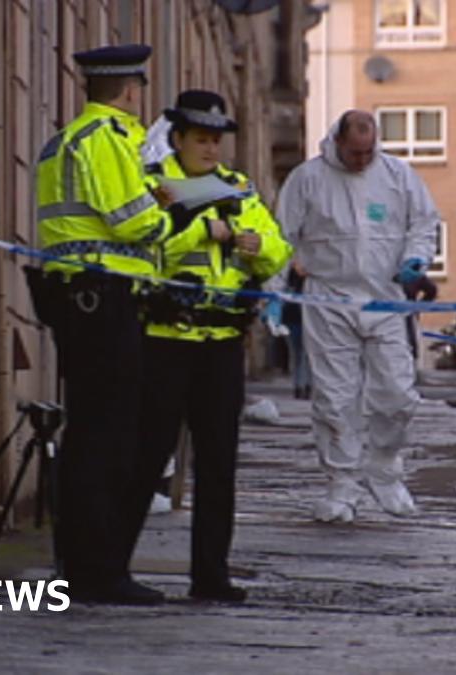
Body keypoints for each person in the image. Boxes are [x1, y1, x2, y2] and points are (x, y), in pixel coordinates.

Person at [131, 89, 292, 603]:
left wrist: (257, 245)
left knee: (219, 466)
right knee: (145, 457)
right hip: (164, 340)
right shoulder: (155, 185)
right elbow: (148, 243)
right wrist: (210, 230)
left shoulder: (238, 187)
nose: (211, 148)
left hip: (222, 343)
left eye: (216, 139)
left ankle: (210, 576)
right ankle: (112, 567)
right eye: (201, 138)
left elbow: (276, 250)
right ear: (177, 138)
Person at [33, 44, 175, 606]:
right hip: (104, 298)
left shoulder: (64, 139)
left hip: (77, 297)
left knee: (89, 433)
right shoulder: (109, 138)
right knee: (109, 438)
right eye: (139, 88)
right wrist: (166, 210)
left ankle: (79, 565)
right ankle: (97, 572)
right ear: (129, 89)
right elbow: (133, 222)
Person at [275, 110, 439, 523]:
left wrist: (416, 259)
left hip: (385, 299)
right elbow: (282, 236)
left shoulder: (398, 176)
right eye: (354, 153)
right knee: (335, 397)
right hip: (328, 300)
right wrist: (273, 291)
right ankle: (342, 484)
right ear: (338, 141)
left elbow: (423, 223)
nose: (361, 161)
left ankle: (384, 467)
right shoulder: (308, 179)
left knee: (398, 394)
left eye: (368, 152)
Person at [282, 260, 311, 399]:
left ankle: (304, 386)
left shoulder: (310, 280)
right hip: (295, 320)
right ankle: (300, 386)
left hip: (303, 320)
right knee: (299, 355)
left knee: (305, 355)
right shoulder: (293, 280)